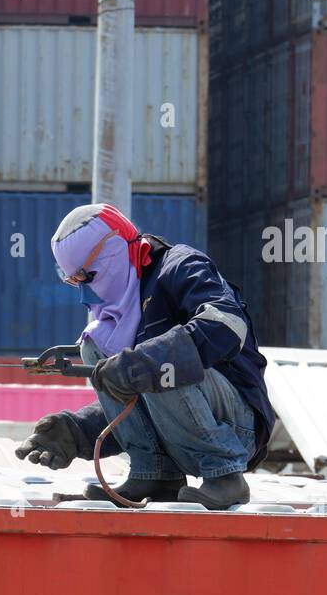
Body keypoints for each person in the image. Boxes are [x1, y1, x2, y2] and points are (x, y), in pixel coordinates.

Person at [15, 204, 276, 509]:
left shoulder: (181, 267)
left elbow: (228, 324)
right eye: (74, 281)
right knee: (96, 348)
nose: (86, 294)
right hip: (184, 426)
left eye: (87, 276)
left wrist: (146, 360)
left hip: (238, 428)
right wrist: (77, 432)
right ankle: (155, 475)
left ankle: (224, 476)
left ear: (113, 253)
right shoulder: (126, 305)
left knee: (160, 357)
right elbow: (150, 405)